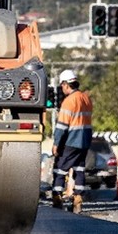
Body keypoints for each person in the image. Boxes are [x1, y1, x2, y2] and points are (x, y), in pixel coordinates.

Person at [50, 69, 93, 214]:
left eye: (62, 86)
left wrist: (56, 144)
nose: (62, 89)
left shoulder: (69, 101)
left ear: (66, 84)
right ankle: (78, 201)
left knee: (60, 169)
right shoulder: (86, 98)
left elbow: (62, 127)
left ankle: (57, 199)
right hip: (85, 140)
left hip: (71, 141)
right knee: (79, 169)